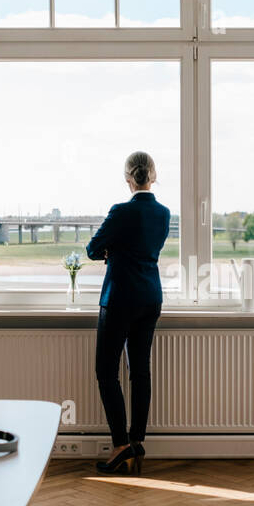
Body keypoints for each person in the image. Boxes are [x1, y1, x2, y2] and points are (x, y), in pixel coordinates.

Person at [86, 151, 170, 474]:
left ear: (127, 178)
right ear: (153, 175)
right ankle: (137, 441)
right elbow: (145, 248)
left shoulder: (120, 211)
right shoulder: (163, 214)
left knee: (106, 372)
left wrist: (114, 250)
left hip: (119, 298)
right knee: (140, 372)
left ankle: (120, 444)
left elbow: (93, 249)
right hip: (150, 298)